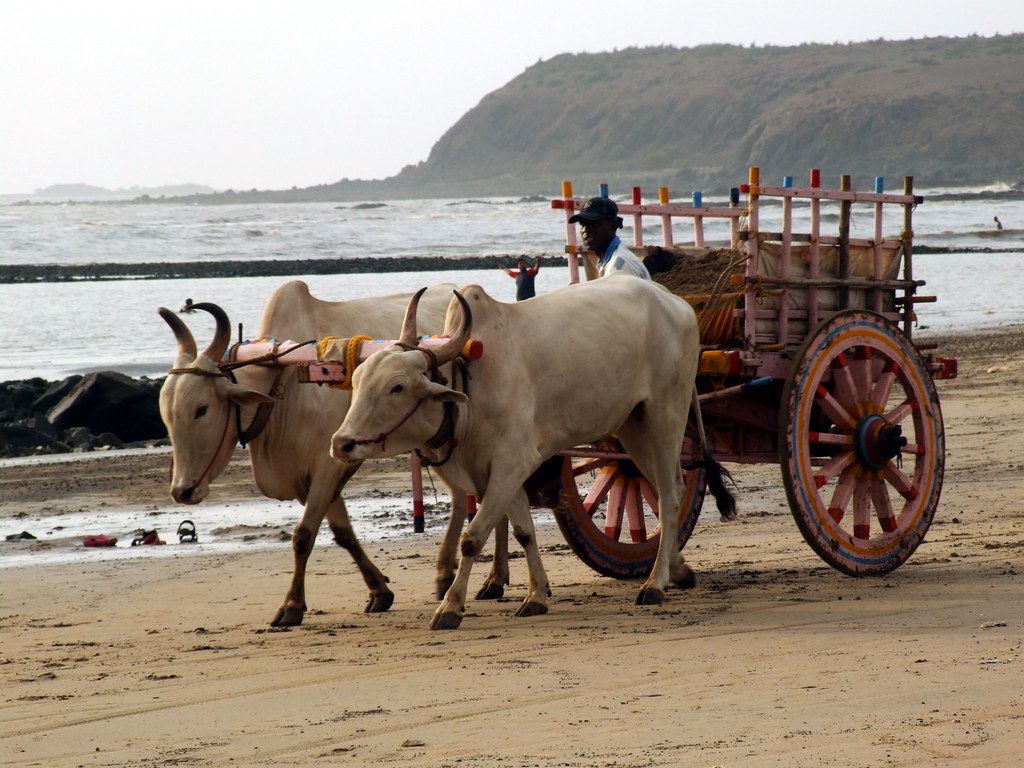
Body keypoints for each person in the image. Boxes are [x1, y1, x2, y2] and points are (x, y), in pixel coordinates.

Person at [568, 197, 650, 280]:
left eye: (593, 223)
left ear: (613, 225)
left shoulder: (619, 267)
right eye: (582, 224)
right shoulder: (608, 260)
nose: (585, 229)